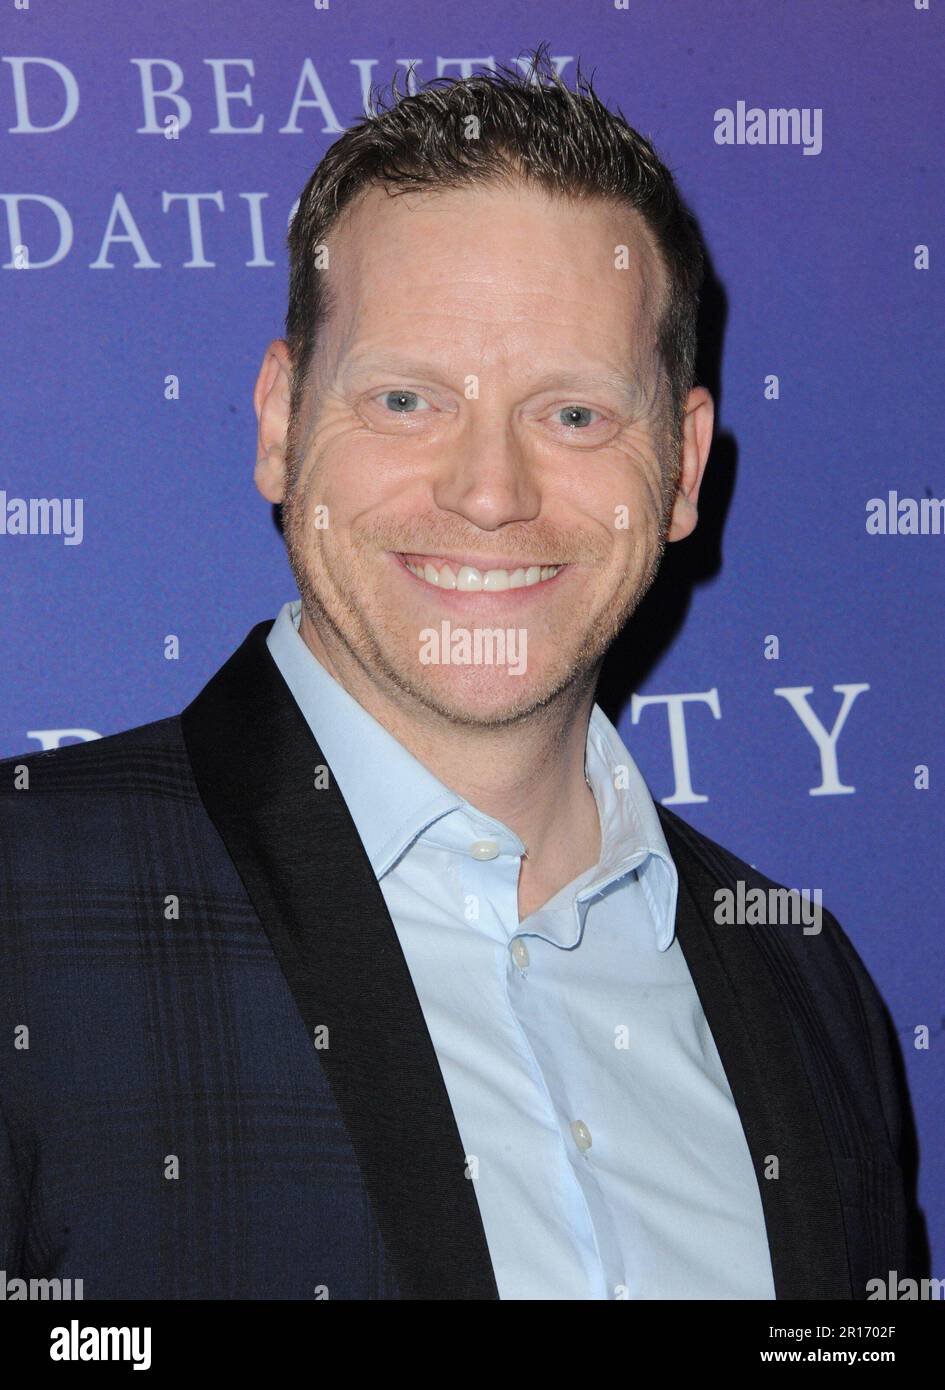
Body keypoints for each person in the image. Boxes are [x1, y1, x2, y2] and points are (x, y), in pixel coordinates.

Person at [0, 50, 922, 1300]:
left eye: (576, 415)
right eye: (406, 397)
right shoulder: (25, 902)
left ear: (685, 465)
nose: (490, 493)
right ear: (280, 423)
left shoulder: (809, 985)